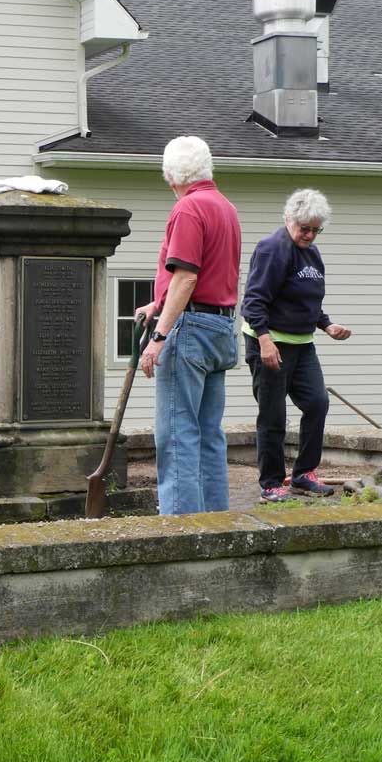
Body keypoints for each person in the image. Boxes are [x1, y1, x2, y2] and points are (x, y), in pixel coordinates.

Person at [134, 136, 242, 515]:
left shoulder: (188, 209)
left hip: (190, 330)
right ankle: (215, 525)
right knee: (209, 434)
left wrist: (159, 336)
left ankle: (181, 535)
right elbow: (206, 274)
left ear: (172, 175)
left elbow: (187, 278)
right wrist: (158, 303)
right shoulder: (225, 207)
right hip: (221, 328)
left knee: (176, 436)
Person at [240, 189, 352, 503]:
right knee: (273, 415)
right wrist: (264, 340)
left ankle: (304, 474)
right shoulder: (272, 248)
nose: (310, 234)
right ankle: (271, 483)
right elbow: (253, 302)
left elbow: (309, 301)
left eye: (316, 229)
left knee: (317, 403)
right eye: (304, 228)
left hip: (303, 344)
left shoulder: (312, 255)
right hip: (270, 343)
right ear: (289, 220)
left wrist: (327, 325)